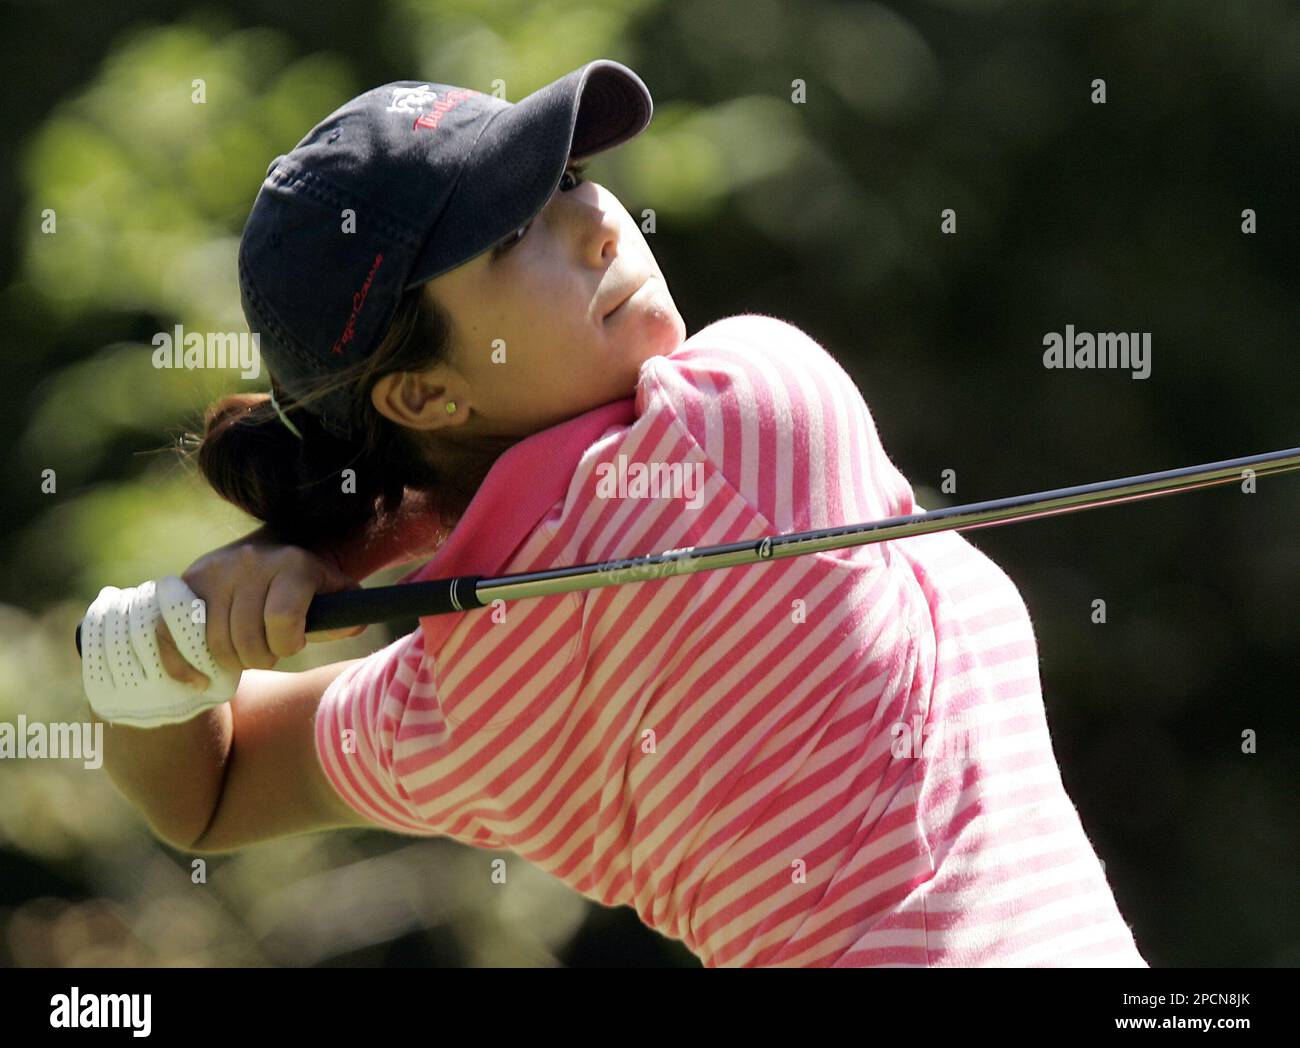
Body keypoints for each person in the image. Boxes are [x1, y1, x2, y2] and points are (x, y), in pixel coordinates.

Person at [83, 60, 1147, 968]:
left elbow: (205, 798)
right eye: (512, 237)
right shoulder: (750, 411)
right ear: (421, 395)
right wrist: (332, 549)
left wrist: (160, 642)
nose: (596, 224)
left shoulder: (454, 708)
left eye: (571, 180)